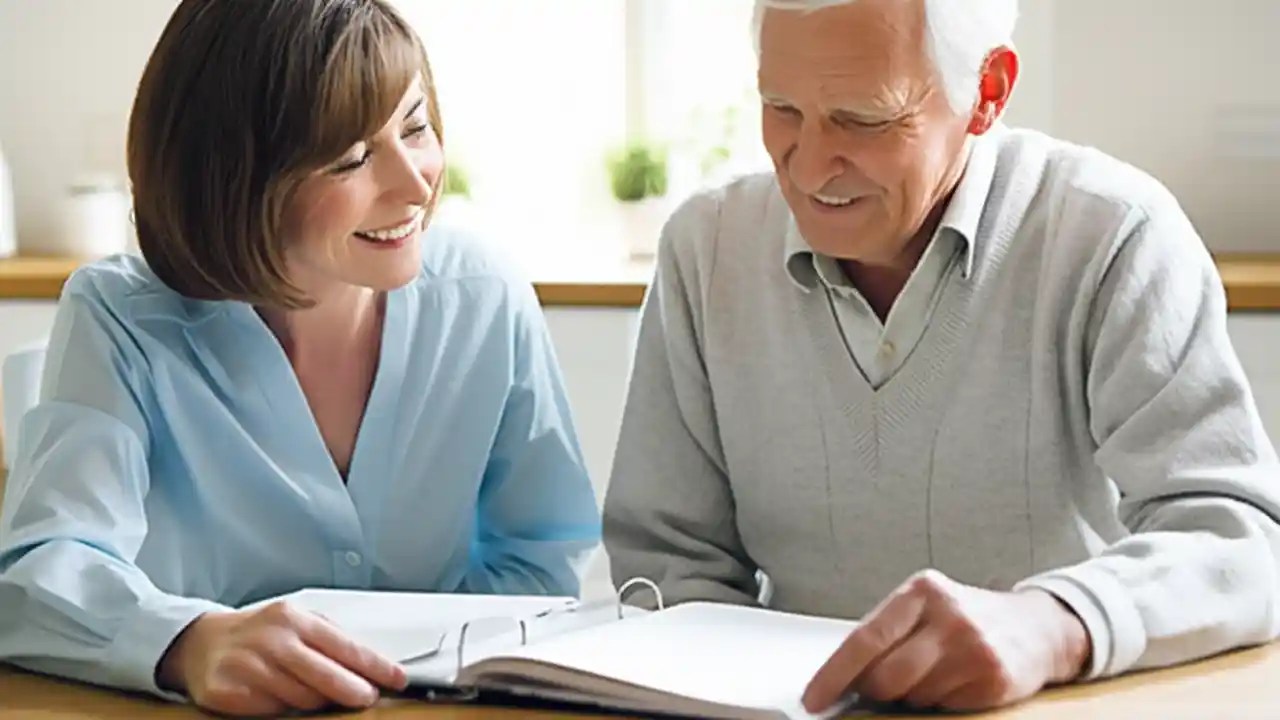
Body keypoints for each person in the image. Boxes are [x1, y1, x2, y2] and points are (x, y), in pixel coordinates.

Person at [603, 0, 1280, 712]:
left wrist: (1052, 625)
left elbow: (1241, 542)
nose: (808, 164)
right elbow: (667, 566)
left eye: (863, 118)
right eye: (781, 107)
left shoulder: (1112, 236)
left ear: (987, 91)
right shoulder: (705, 252)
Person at [0, 1, 601, 716]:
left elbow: (542, 557)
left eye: (416, 127)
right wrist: (188, 643)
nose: (416, 184)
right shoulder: (120, 318)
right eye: (351, 158)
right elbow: (41, 577)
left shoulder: (485, 297)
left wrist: (425, 672)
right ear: (235, 173)